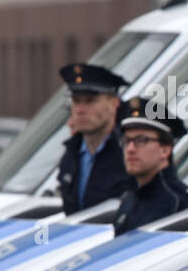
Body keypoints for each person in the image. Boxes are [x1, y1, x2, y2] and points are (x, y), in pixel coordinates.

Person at [112, 97, 188, 235]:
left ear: (165, 150)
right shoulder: (129, 199)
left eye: (141, 140)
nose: (130, 149)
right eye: (127, 140)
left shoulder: (181, 203)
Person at [56, 63, 134, 214]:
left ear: (114, 103)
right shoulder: (72, 152)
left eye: (90, 101)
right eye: (76, 101)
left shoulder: (128, 152)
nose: (80, 110)